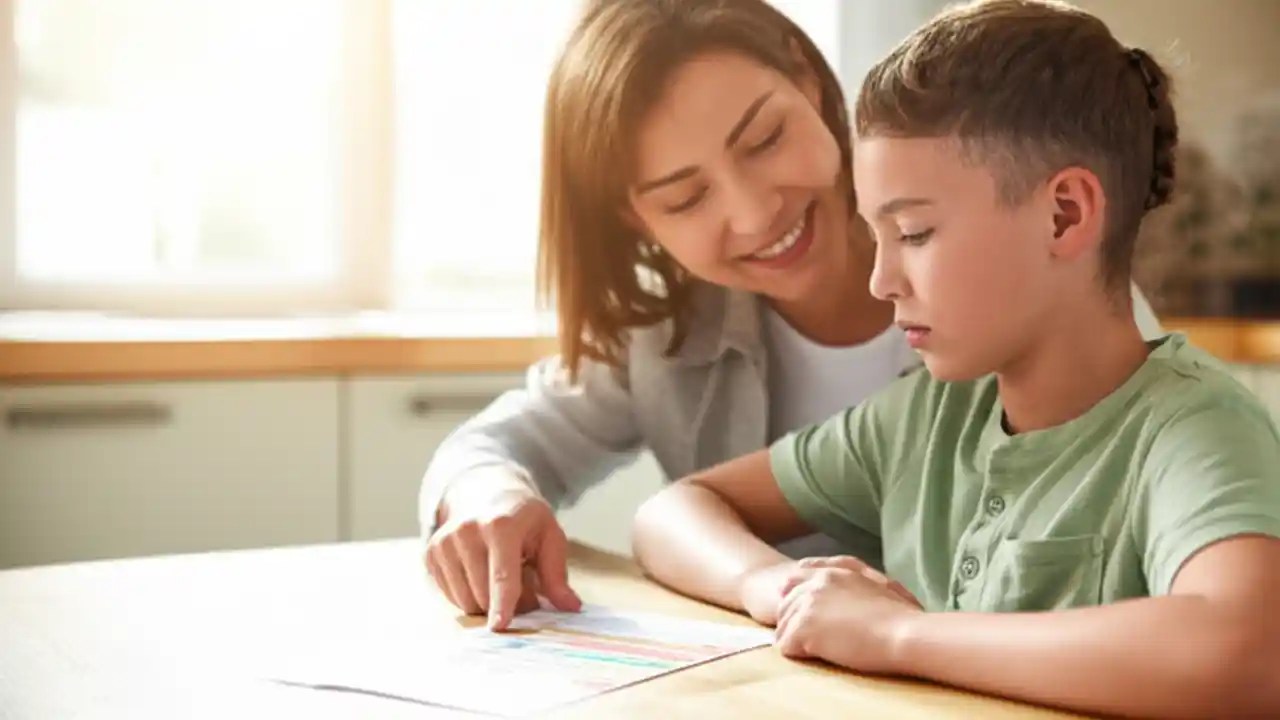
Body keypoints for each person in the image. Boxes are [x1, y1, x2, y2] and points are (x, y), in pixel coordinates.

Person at [419, 0, 1161, 633]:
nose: (753, 212)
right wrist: (492, 497)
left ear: (810, 84)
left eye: (766, 139)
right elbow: (501, 445)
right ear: (636, 218)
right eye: (685, 198)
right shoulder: (668, 335)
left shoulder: (1029, 295)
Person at [631, 1, 1280, 717]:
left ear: (1064, 214)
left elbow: (1247, 652)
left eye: (913, 232)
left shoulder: (1194, 430)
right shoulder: (922, 419)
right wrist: (780, 589)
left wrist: (903, 635)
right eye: (874, 235)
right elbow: (673, 512)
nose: (881, 281)